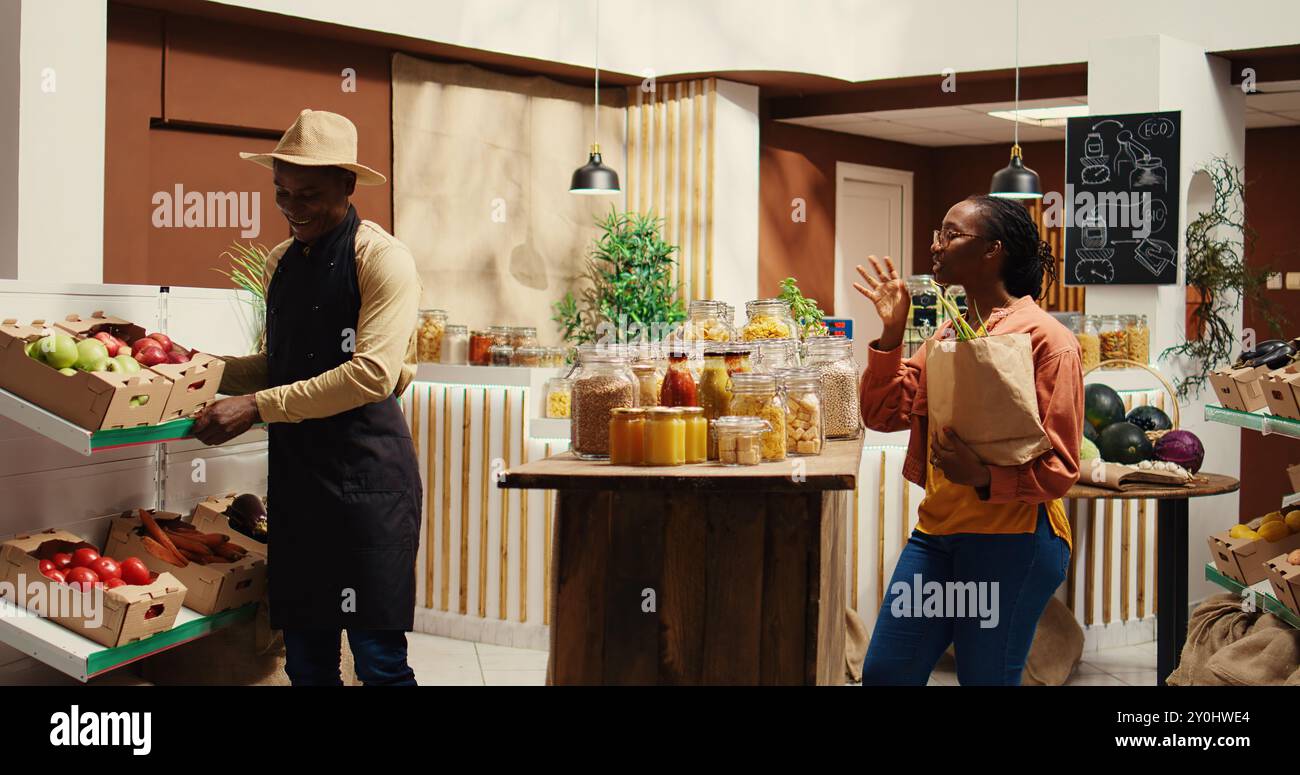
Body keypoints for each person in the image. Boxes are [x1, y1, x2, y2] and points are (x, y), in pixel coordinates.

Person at [192, 109, 423, 686]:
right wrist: (195, 369)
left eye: (310, 194)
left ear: (348, 185)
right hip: (300, 488)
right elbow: (281, 364)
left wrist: (257, 406)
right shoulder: (279, 264)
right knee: (307, 666)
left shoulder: (382, 259)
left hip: (368, 485)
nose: (294, 207)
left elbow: (371, 373)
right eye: (282, 193)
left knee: (379, 663)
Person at [853, 195, 1082, 686]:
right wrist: (892, 334)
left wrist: (983, 476)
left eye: (950, 234)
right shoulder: (946, 335)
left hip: (1014, 541)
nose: (936, 245)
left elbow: (1062, 468)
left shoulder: (1048, 339)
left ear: (992, 250)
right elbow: (882, 413)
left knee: (985, 678)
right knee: (885, 673)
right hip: (937, 536)